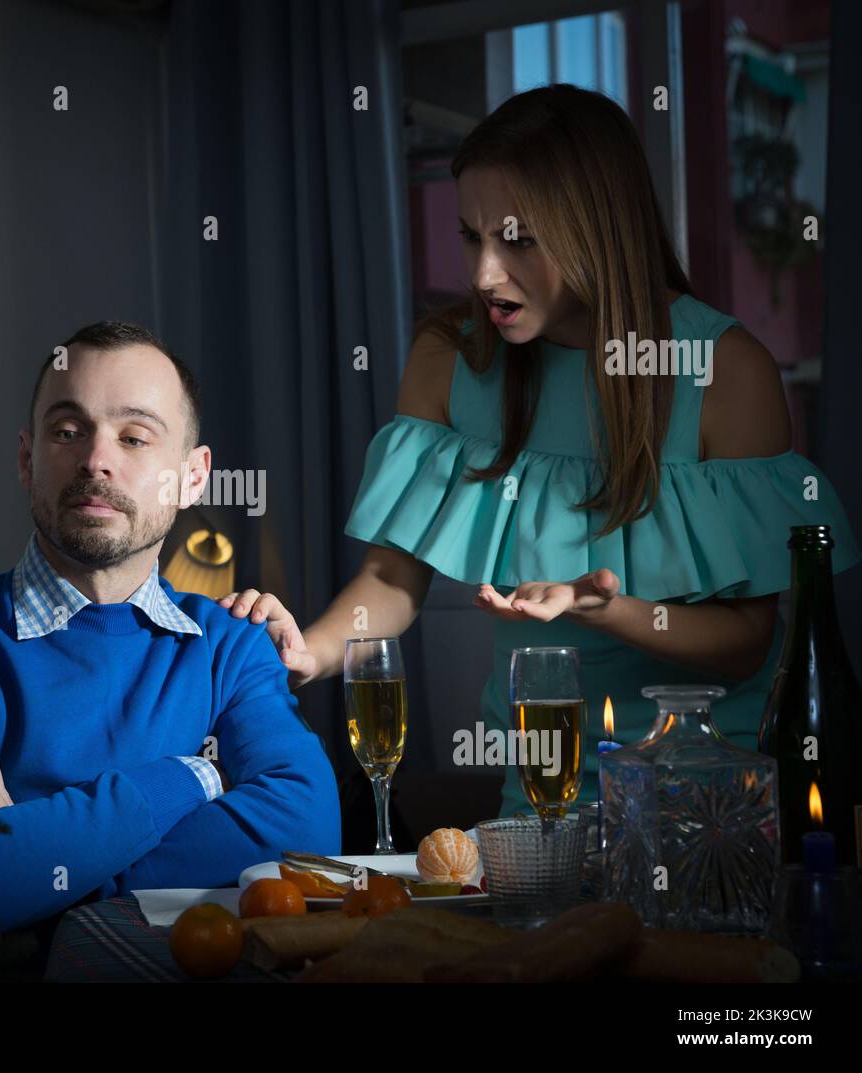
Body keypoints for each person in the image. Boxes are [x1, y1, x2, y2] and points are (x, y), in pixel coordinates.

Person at [219, 84, 859, 819]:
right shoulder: (447, 355)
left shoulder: (725, 368)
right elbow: (393, 576)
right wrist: (313, 651)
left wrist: (606, 610)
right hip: (536, 795)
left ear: (600, 229)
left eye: (517, 239)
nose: (484, 275)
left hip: (708, 800)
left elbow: (750, 642)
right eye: (470, 236)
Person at [0, 321, 340, 931]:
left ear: (193, 476)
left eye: (135, 438)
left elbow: (307, 832)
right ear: (26, 458)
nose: (96, 461)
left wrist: (32, 854)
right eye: (68, 432)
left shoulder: (232, 645)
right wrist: (197, 776)